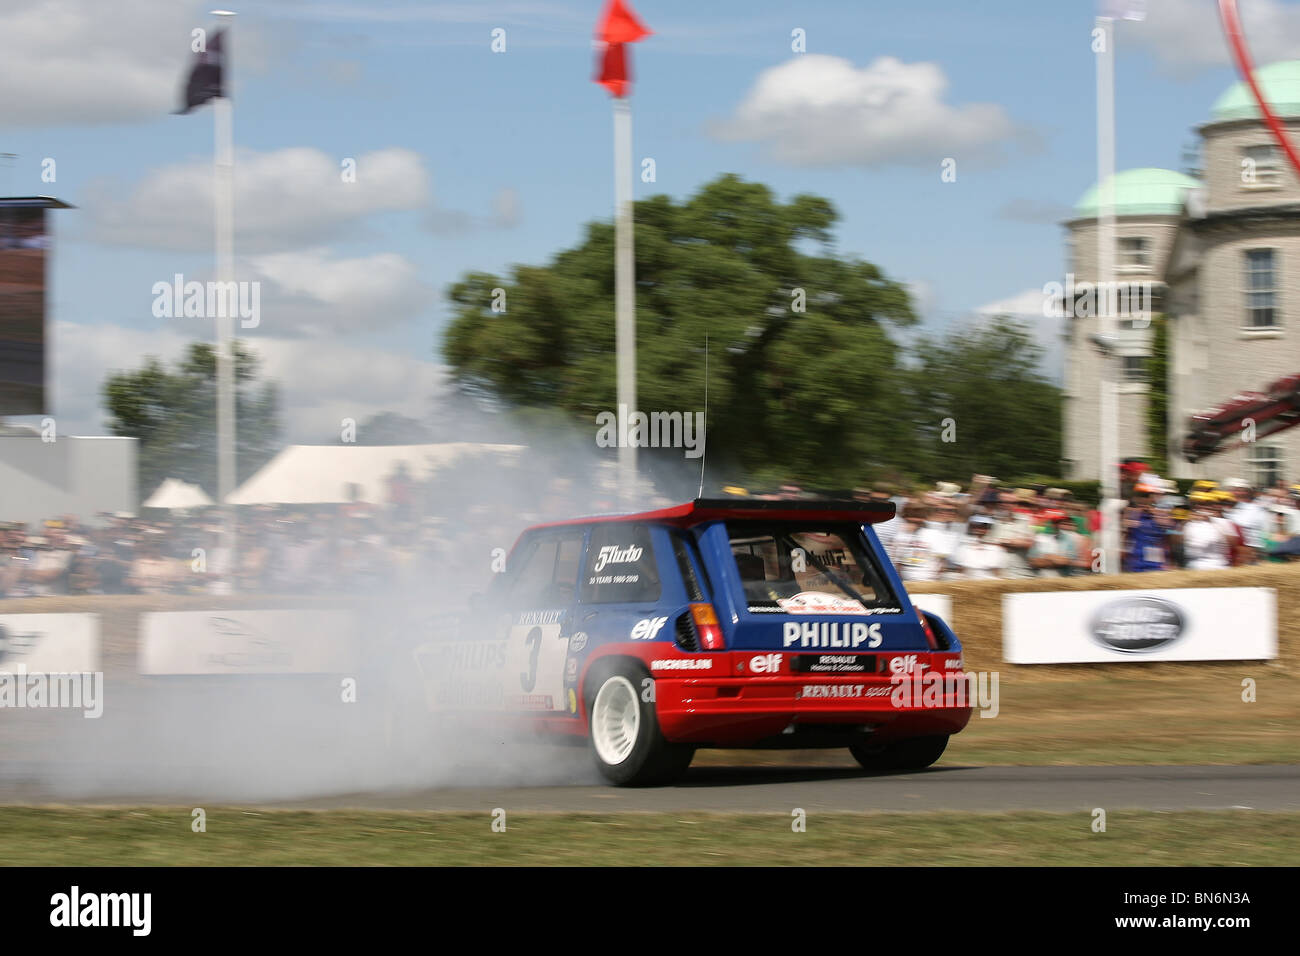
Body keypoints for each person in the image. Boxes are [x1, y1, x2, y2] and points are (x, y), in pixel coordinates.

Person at [948, 514, 1006, 579]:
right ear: (971, 527)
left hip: (989, 582)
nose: (980, 529)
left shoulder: (996, 549)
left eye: (984, 527)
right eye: (977, 526)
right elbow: (960, 570)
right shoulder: (962, 547)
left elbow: (997, 572)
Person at [1183, 495, 1230, 569]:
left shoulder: (1222, 523)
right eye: (1201, 506)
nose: (1205, 509)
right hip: (1198, 566)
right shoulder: (1190, 525)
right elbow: (1196, 547)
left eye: (1208, 505)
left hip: (1219, 565)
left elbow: (1230, 544)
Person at [1028, 511, 1081, 577]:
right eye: (1056, 522)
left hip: (1062, 579)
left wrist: (1048, 556)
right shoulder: (1038, 538)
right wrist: (1057, 560)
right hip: (1041, 579)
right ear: (1051, 524)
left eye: (1061, 522)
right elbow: (1033, 562)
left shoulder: (1069, 539)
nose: (1059, 525)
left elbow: (1067, 561)